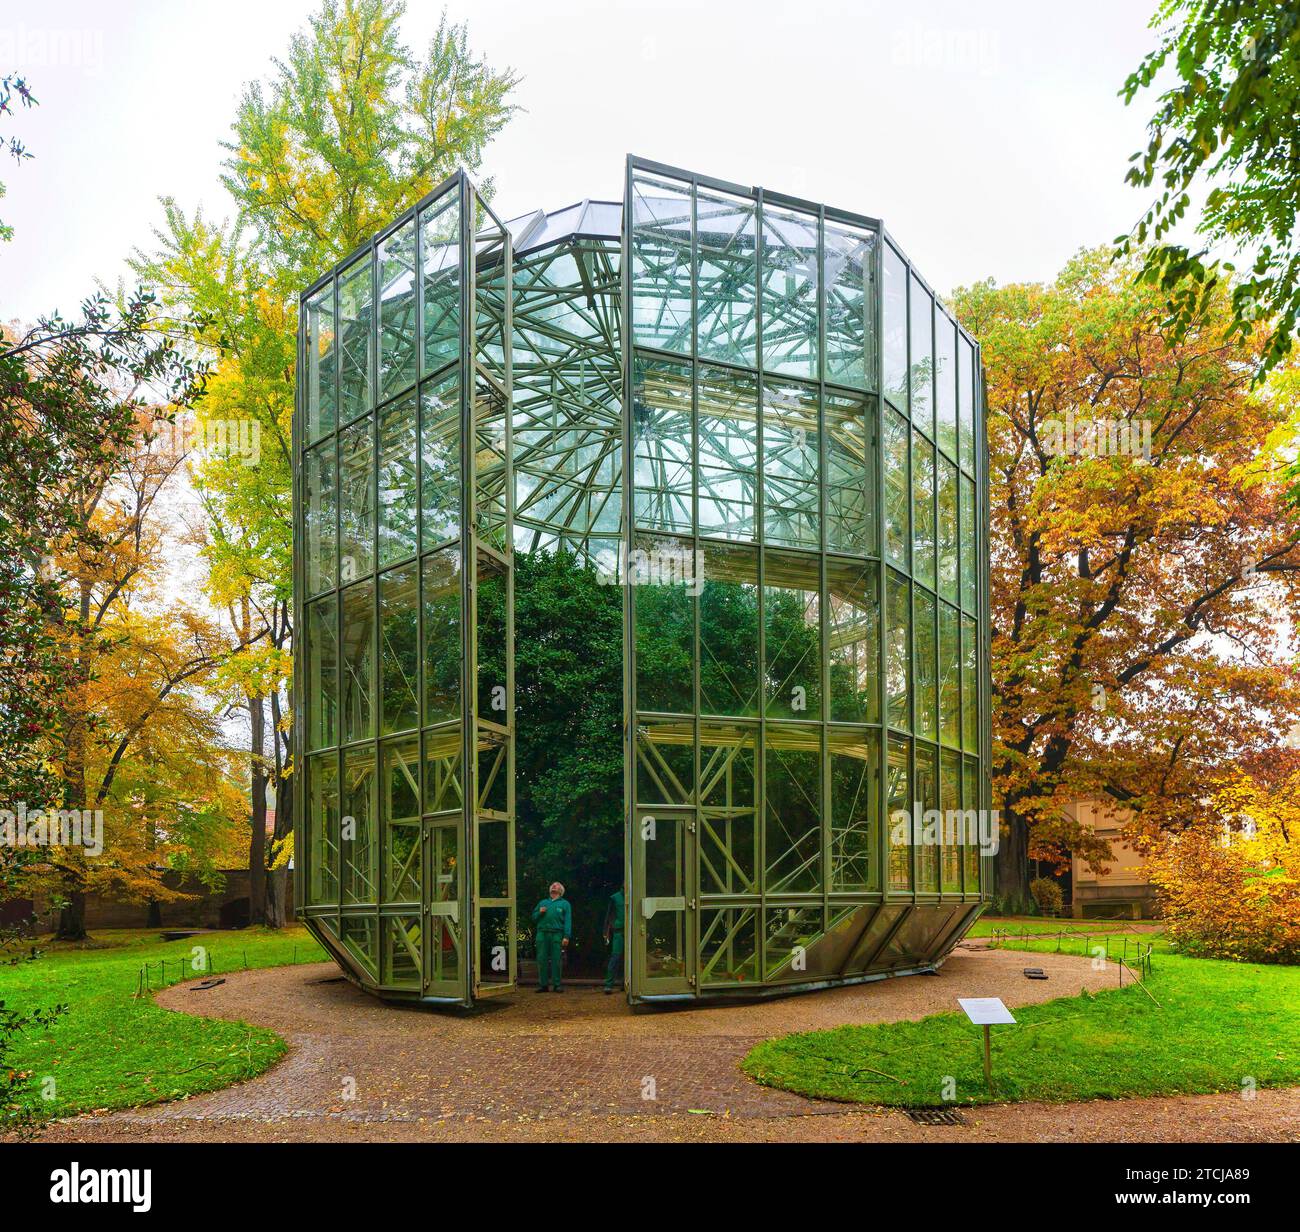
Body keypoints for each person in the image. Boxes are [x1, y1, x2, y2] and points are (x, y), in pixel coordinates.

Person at [531, 880, 571, 992]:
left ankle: (557, 984)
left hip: (557, 934)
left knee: (556, 960)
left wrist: (566, 936)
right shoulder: (543, 902)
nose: (554, 886)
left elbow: (568, 921)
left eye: (557, 885)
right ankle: (543, 985)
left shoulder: (565, 904)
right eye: (553, 885)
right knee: (541, 959)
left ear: (561, 890)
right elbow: (533, 917)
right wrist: (539, 912)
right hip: (542, 933)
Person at [603, 882, 625, 994]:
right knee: (615, 957)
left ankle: (625, 984)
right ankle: (608, 985)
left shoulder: (635, 896)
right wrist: (606, 932)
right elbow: (609, 915)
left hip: (633, 933)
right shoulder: (615, 898)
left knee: (632, 960)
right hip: (618, 932)